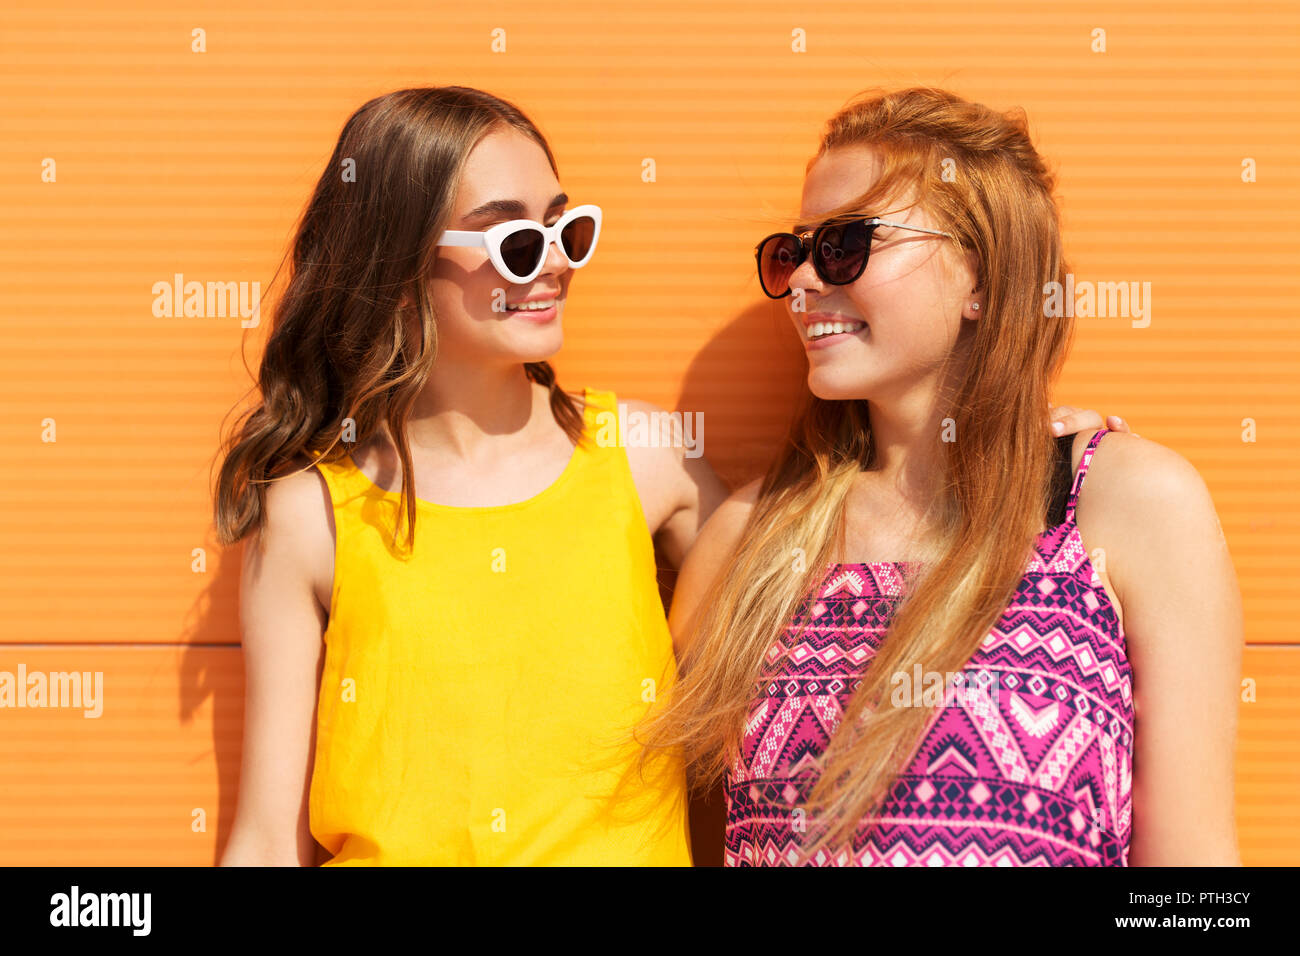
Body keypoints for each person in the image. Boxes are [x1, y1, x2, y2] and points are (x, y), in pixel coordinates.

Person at [212, 85, 1127, 865]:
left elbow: (807, 632)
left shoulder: (649, 462)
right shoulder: (311, 515)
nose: (555, 266)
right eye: (514, 245)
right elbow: (264, 839)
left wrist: (1023, 444)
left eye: (566, 230)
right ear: (399, 266)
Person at [637, 86, 1241, 866]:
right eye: (793, 253)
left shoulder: (1126, 505)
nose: (803, 283)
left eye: (845, 244)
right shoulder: (747, 542)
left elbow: (1195, 881)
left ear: (982, 279)